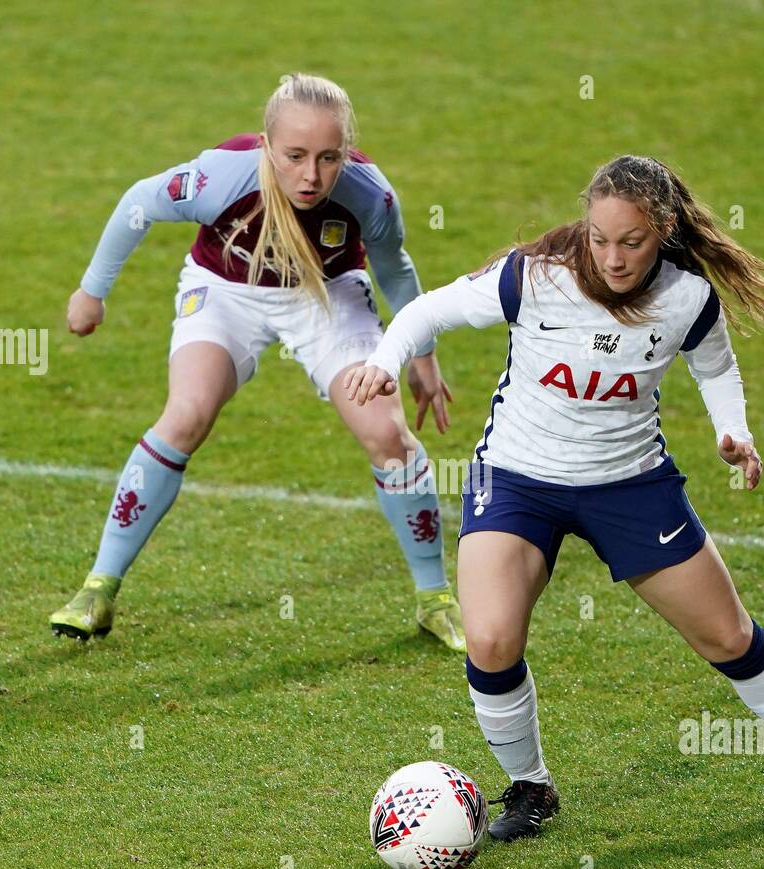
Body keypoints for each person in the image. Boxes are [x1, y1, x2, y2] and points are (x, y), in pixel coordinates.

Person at [344, 154, 764, 841]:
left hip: (630, 486)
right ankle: (531, 789)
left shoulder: (687, 299)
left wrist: (734, 432)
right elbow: (425, 310)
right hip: (518, 480)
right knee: (492, 638)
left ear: (664, 230)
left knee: (728, 635)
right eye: (599, 238)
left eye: (632, 242)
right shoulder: (533, 277)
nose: (612, 258)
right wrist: (383, 363)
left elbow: (716, 367)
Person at [50, 73, 464, 651]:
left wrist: (422, 354)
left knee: (387, 434)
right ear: (268, 145)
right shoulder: (222, 177)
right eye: (294, 156)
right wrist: (91, 292)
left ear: (347, 150)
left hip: (328, 294)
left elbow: (393, 267)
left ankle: (436, 599)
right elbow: (139, 202)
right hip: (225, 292)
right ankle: (97, 588)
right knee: (187, 414)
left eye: (328, 157)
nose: (311, 176)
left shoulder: (370, 193)